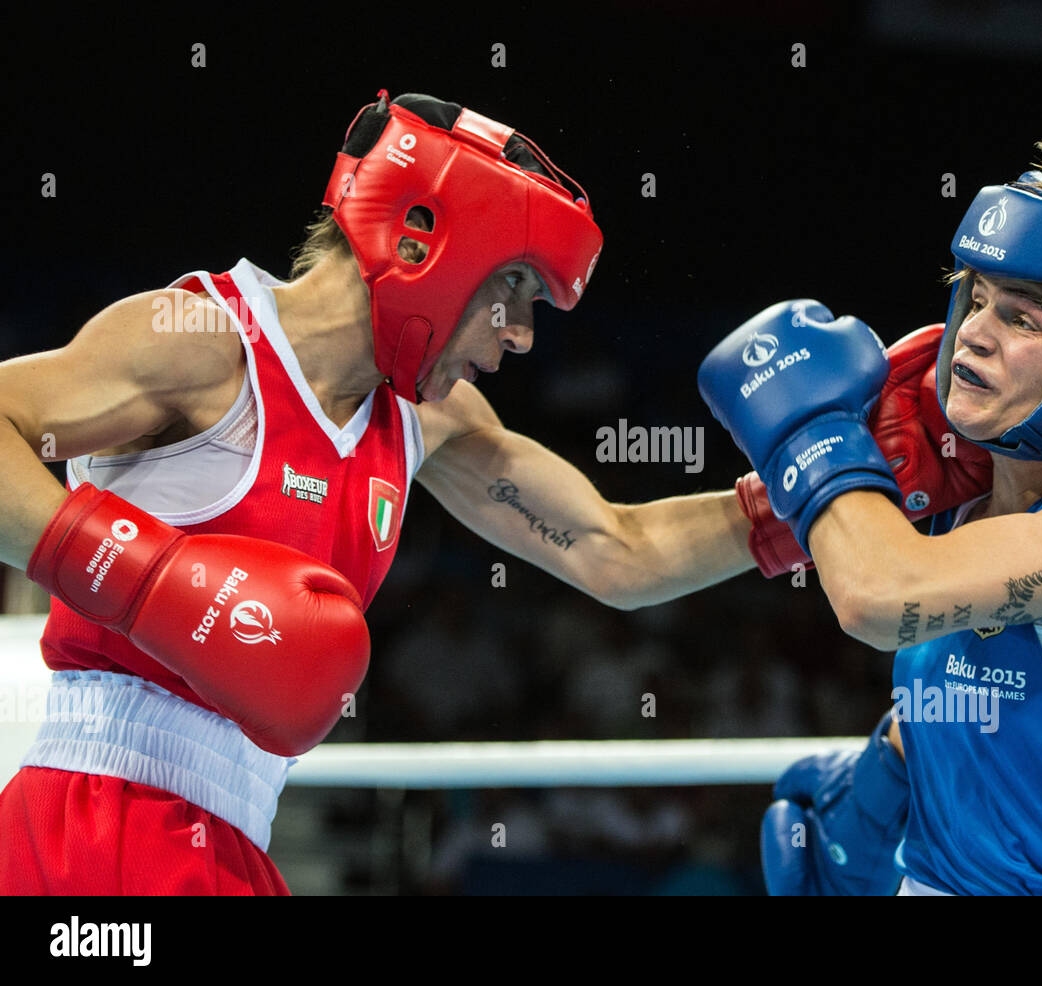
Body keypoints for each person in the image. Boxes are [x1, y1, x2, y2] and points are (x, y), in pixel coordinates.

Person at [0, 90, 985, 895]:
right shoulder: (201, 344)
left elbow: (614, 546)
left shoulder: (424, 418)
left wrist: (804, 500)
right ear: (425, 243)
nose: (518, 335)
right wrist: (142, 577)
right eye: (513, 291)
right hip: (94, 814)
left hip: (226, 835)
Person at [700, 137, 1042, 896]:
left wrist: (814, 437)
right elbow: (622, 556)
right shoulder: (948, 503)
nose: (973, 332)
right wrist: (884, 775)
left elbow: (880, 599)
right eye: (975, 299)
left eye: (1022, 318)